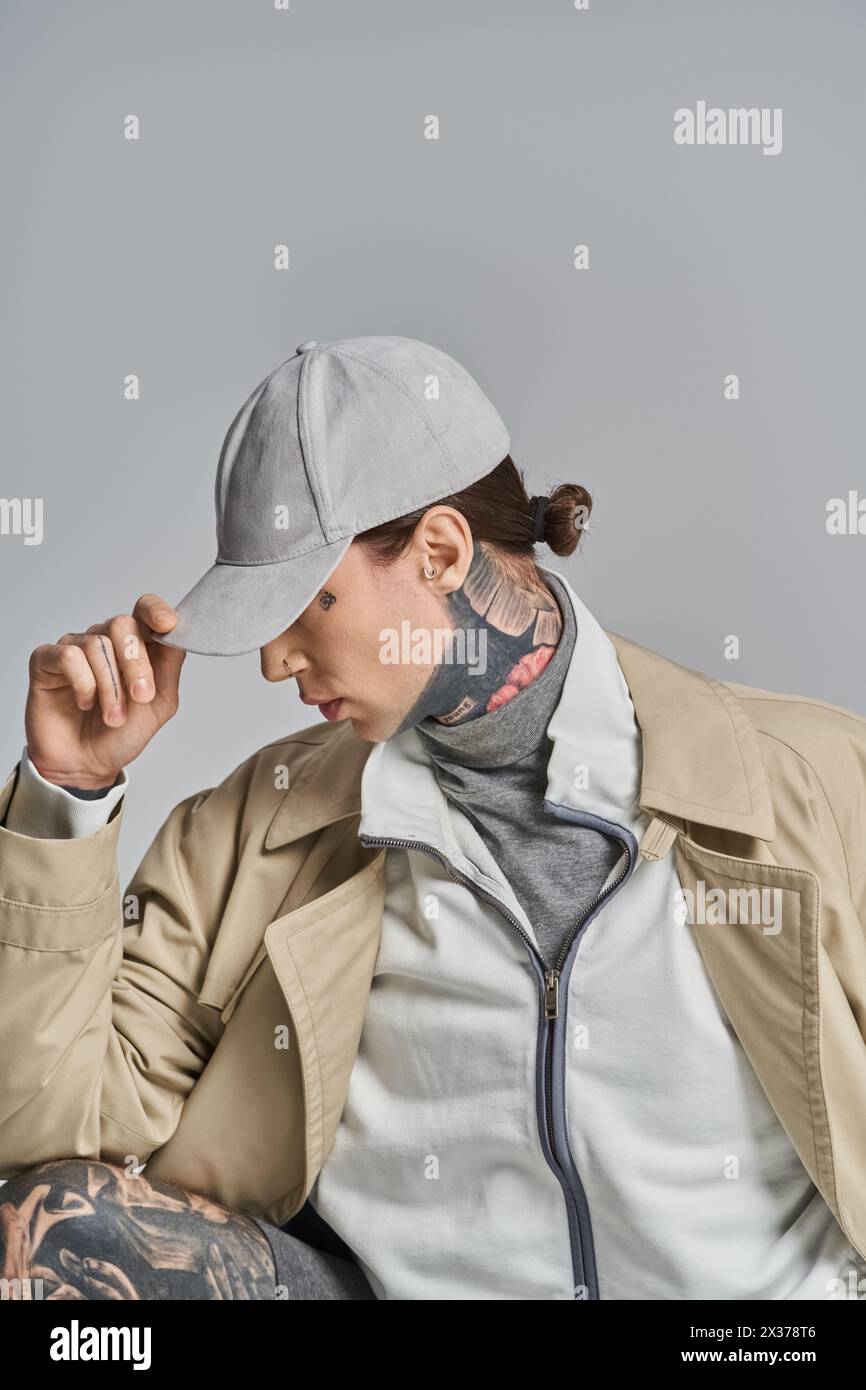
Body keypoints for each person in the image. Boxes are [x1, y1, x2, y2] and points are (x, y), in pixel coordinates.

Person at [1, 335, 865, 1301]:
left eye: (300, 606)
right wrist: (63, 793)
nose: (273, 661)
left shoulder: (812, 783)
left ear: (443, 553)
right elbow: (48, 1129)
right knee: (49, 1232)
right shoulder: (256, 828)